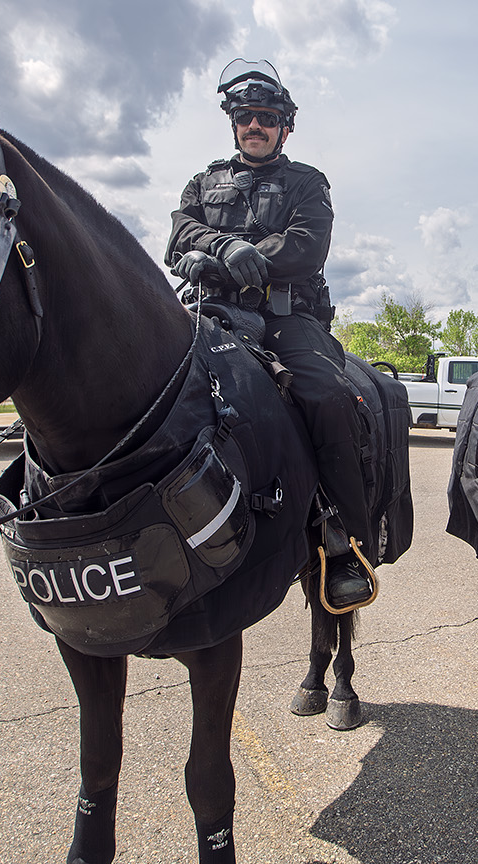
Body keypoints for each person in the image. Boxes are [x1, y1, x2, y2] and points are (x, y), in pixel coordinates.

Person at [166, 59, 374, 612]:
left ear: (285, 125)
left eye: (266, 117)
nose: (254, 126)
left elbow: (307, 246)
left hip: (286, 319)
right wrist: (218, 245)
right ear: (232, 122)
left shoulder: (307, 182)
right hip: (209, 313)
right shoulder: (203, 181)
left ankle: (344, 541)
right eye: (245, 117)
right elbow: (178, 231)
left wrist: (232, 256)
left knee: (328, 398)